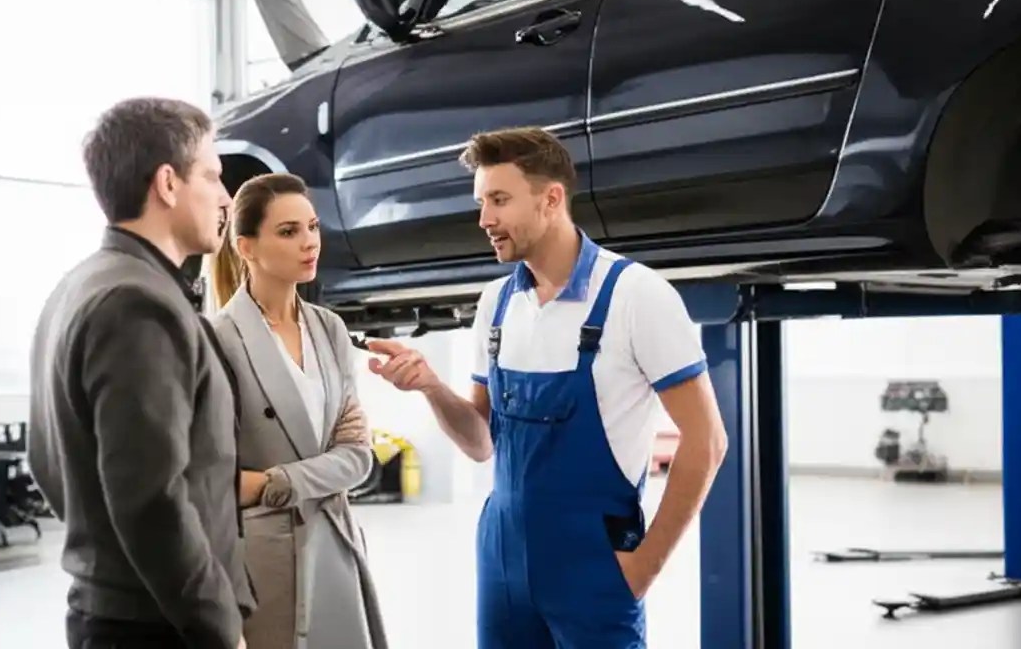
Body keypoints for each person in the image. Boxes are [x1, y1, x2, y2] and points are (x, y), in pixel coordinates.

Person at [366, 127, 729, 648]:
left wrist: (644, 567)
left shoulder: (635, 296)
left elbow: (707, 441)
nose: (484, 219)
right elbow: (480, 443)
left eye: (499, 200)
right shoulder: (496, 305)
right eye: (481, 202)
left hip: (596, 566)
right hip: (502, 562)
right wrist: (430, 386)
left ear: (551, 198)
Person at [28, 97, 255, 649]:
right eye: (213, 176)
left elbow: (48, 460)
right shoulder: (137, 303)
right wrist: (219, 628)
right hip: (158, 625)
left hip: (122, 608)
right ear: (168, 184)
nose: (226, 198)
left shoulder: (78, 286)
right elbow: (150, 498)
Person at [208, 173, 389, 649]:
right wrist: (310, 475)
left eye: (312, 227)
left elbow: (357, 455)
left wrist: (274, 483)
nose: (309, 242)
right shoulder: (218, 340)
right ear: (246, 247)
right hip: (264, 555)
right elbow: (214, 472)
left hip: (335, 538)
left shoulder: (329, 328)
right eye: (289, 232)